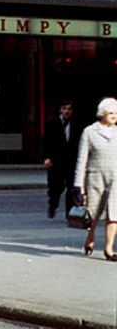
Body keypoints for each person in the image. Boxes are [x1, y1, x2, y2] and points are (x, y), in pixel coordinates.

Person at [73, 97, 117, 260]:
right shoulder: (89, 132)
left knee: (114, 214)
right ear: (103, 114)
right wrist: (78, 185)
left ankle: (109, 248)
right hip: (95, 178)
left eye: (116, 113)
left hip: (116, 179)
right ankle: (90, 236)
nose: (114, 116)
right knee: (93, 213)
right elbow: (81, 159)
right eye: (111, 113)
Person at [43, 100, 81, 219]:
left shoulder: (77, 124)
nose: (66, 111)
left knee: (71, 188)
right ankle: (53, 205)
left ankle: (69, 212)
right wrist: (46, 157)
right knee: (56, 187)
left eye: (69, 109)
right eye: (64, 109)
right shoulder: (52, 123)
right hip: (55, 161)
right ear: (60, 110)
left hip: (71, 161)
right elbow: (45, 142)